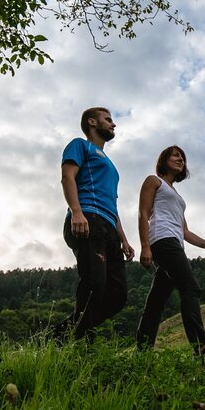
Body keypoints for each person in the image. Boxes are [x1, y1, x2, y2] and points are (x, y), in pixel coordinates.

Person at [135, 145, 205, 359]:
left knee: (156, 302)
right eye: (175, 155)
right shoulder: (153, 181)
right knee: (190, 287)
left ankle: (142, 354)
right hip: (161, 240)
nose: (180, 159)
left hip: (173, 241)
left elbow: (184, 231)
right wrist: (145, 246)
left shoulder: (177, 196)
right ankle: (204, 350)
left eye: (182, 157)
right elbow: (143, 214)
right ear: (164, 159)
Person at [59, 107, 135, 342]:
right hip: (88, 219)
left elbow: (113, 203)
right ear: (92, 122)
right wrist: (77, 212)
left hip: (109, 226)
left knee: (117, 294)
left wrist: (124, 239)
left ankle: (60, 336)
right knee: (94, 284)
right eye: (108, 120)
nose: (113, 124)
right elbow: (67, 177)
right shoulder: (80, 145)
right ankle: (82, 343)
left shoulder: (111, 166)